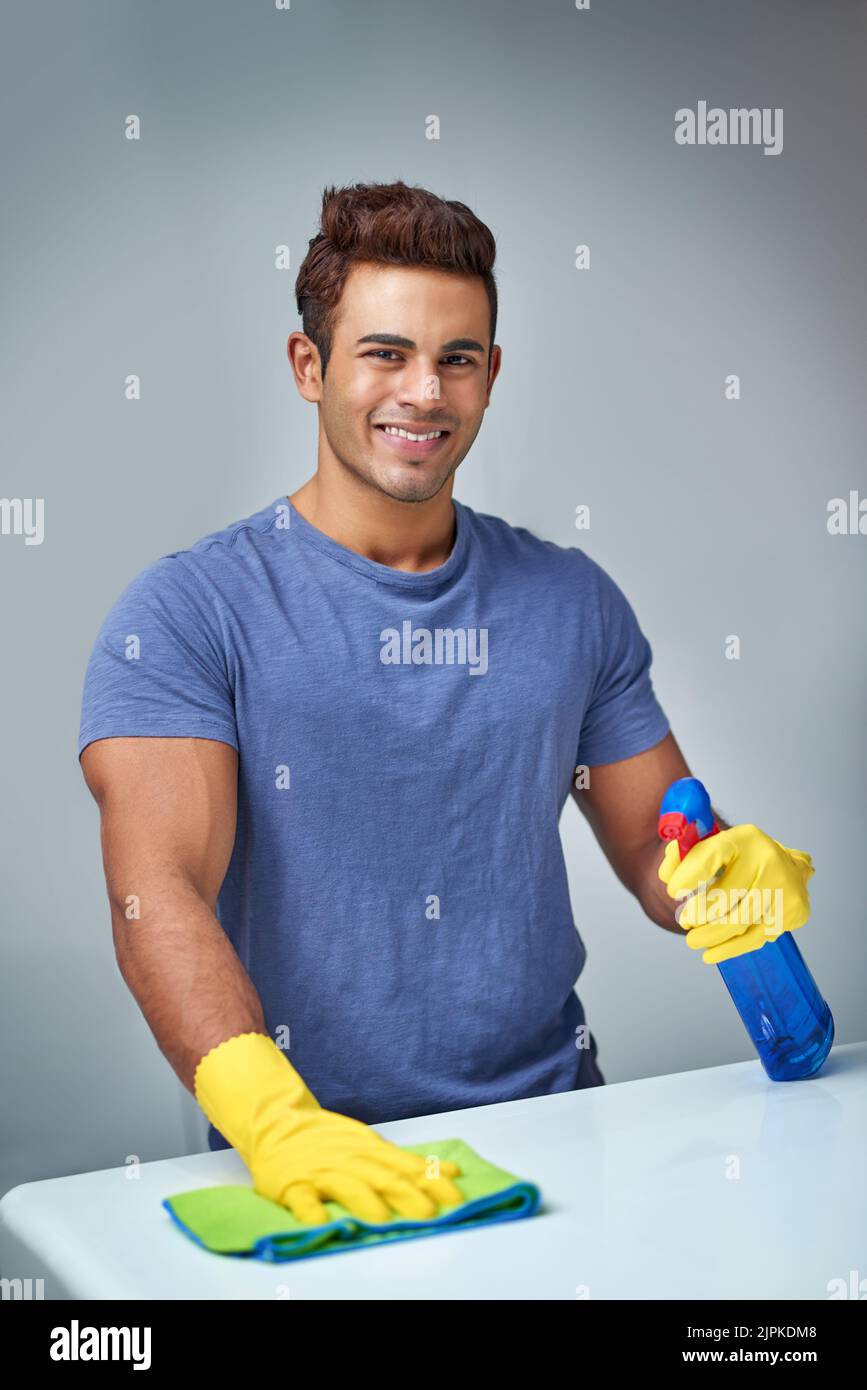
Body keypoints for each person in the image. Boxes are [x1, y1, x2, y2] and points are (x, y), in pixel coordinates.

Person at [78, 180, 814, 1226]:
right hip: (317, 1168)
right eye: (385, 353)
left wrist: (732, 877)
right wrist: (272, 1119)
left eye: (456, 359)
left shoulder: (571, 601)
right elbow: (158, 893)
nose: (423, 392)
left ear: (491, 375)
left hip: (561, 1145)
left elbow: (661, 856)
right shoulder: (189, 613)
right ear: (309, 366)